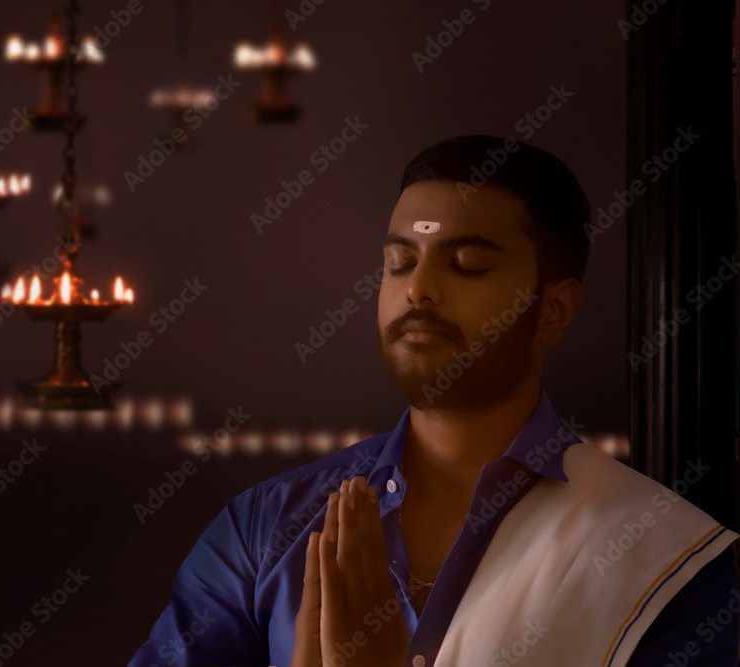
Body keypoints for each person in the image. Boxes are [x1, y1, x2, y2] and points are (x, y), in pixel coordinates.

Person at [127, 135, 740, 667]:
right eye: (399, 263)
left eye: (467, 265)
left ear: (554, 309)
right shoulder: (265, 530)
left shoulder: (662, 560)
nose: (418, 288)